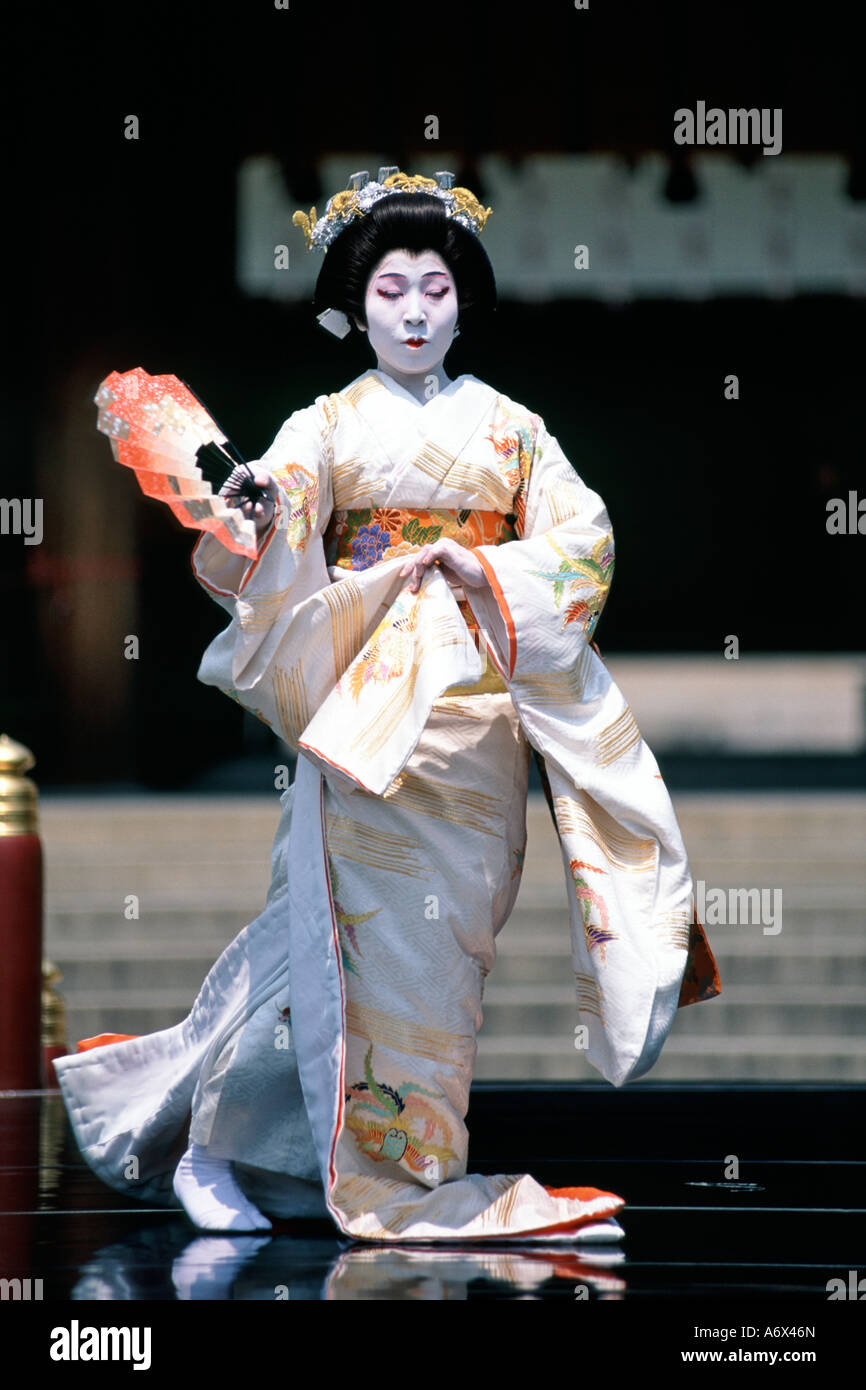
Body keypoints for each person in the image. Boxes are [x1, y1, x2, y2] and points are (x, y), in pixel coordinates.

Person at [55, 169, 720, 1244]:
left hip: (478, 735)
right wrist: (259, 511)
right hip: (367, 717)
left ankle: (352, 1156)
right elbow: (267, 512)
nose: (414, 312)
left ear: (465, 300)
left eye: (436, 288)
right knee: (328, 943)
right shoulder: (325, 424)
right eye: (391, 290)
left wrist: (478, 570)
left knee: (437, 963)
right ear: (353, 305)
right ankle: (219, 1148)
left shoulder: (513, 430)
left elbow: (583, 541)